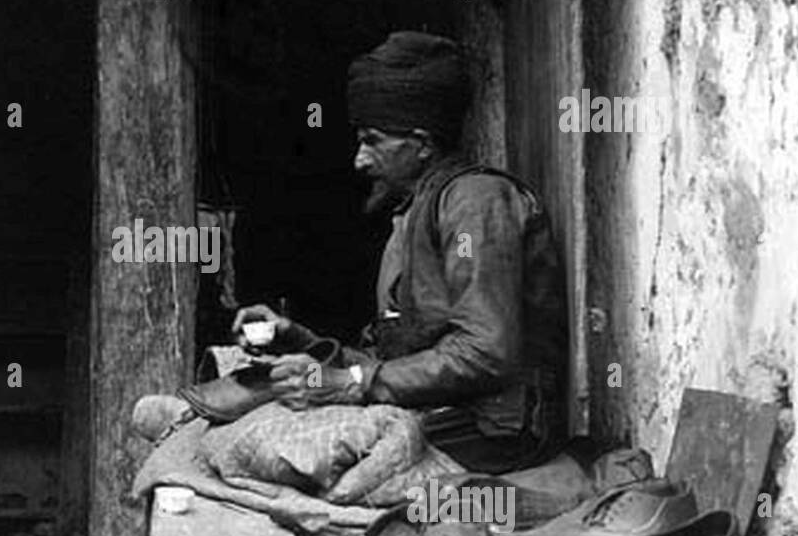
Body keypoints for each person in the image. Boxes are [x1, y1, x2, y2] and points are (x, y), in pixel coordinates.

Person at [232, 30, 569, 476]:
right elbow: (396, 365)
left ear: (422, 143)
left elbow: (486, 352)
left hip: (499, 432)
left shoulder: (475, 202)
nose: (359, 160)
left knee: (282, 447)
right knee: (252, 420)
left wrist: (352, 383)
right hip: (447, 415)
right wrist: (299, 339)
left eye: (372, 141)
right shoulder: (412, 214)